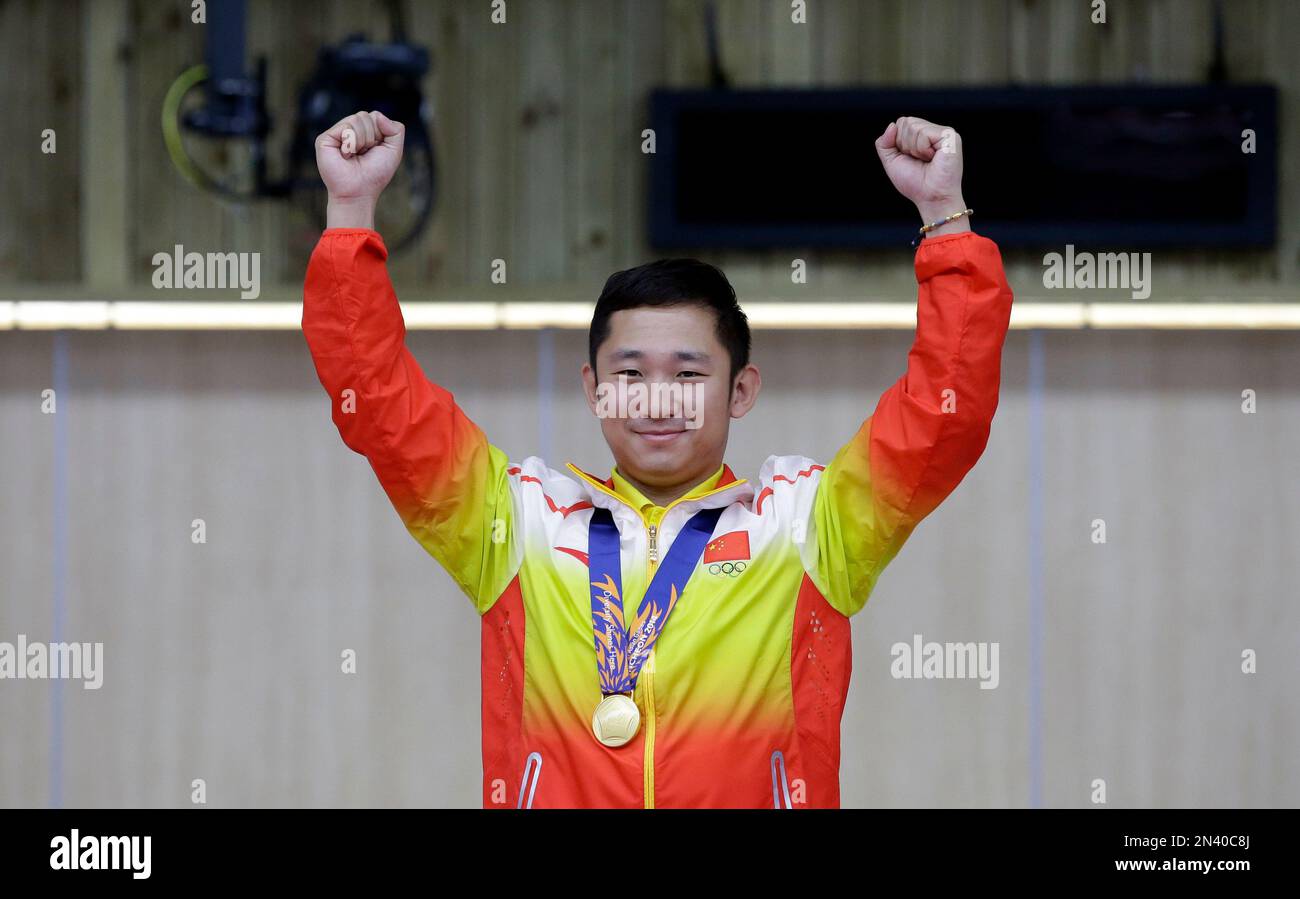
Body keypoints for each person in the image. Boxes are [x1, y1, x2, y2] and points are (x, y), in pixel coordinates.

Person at [302, 109, 1013, 808]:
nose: (658, 400)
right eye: (631, 374)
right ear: (593, 389)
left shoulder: (809, 525)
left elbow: (944, 416)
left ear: (741, 390)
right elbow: (382, 406)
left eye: (688, 374)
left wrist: (945, 218)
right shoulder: (514, 522)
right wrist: (351, 209)